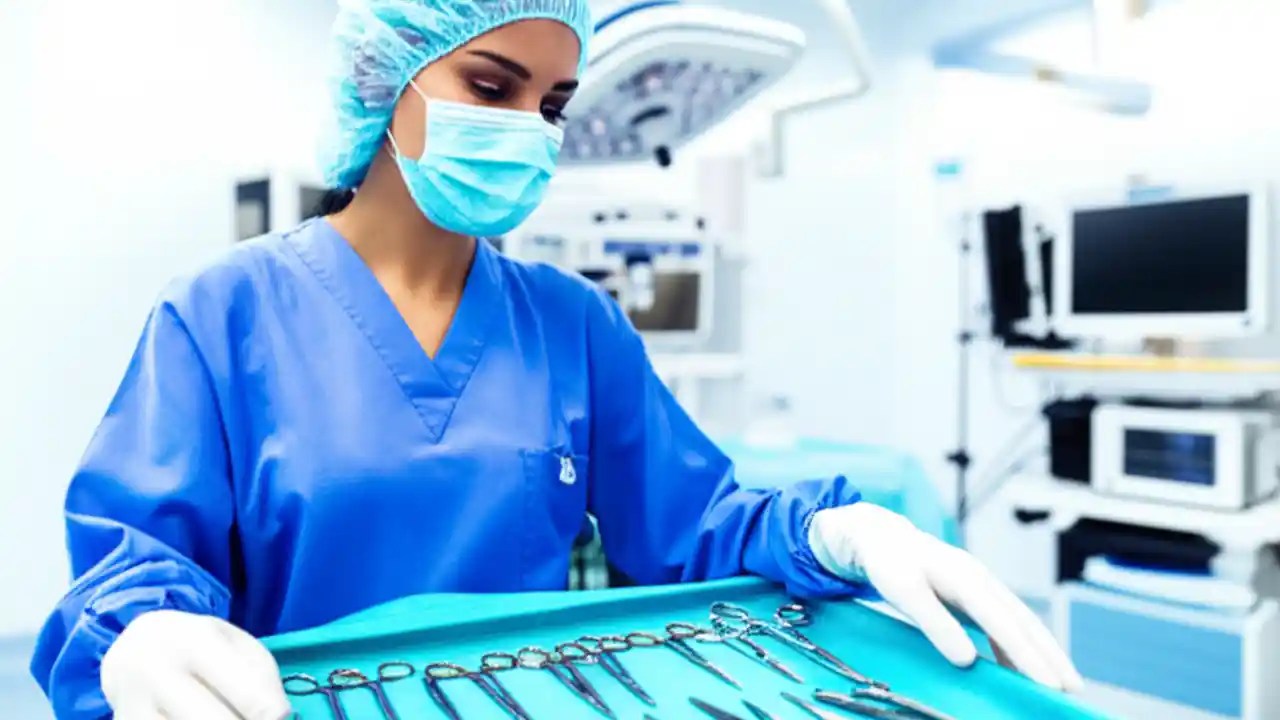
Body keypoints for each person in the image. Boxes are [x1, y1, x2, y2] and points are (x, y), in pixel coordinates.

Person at [30, 1, 1082, 718]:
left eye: (551, 105)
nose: (529, 129)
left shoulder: (570, 324)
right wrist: (137, 635)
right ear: (382, 82)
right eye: (490, 85)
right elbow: (137, 562)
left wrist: (837, 531)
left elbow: (692, 527)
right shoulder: (222, 311)